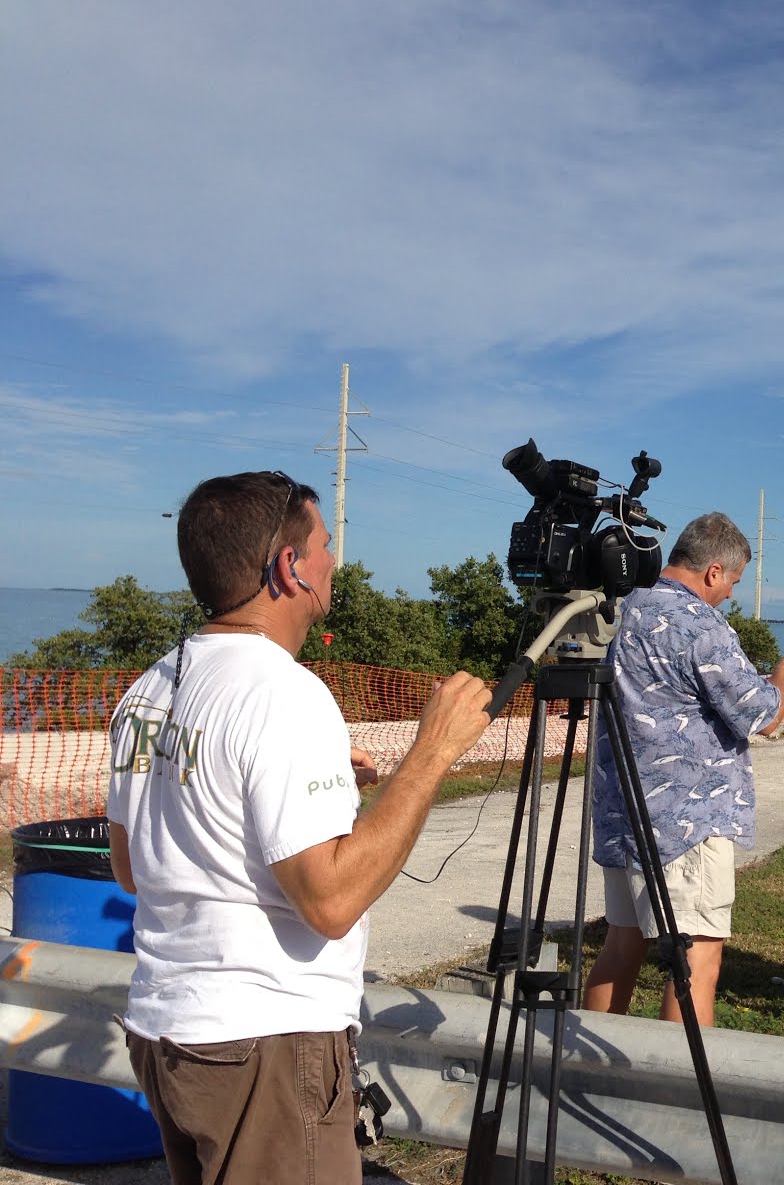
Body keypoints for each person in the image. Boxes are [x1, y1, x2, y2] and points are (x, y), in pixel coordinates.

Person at [106, 470, 493, 1185]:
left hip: (170, 1037)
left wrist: (311, 787)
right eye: (323, 543)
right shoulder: (284, 694)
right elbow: (331, 902)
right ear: (288, 567)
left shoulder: (149, 687)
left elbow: (134, 866)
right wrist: (432, 753)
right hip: (264, 1046)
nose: (332, 560)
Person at [582, 512, 784, 1025]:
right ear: (712, 571)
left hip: (624, 812)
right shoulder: (700, 625)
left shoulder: (629, 607)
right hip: (686, 820)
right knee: (697, 959)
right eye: (732, 580)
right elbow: (757, 714)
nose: (730, 593)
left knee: (623, 945)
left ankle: (584, 1075)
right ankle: (683, 1092)